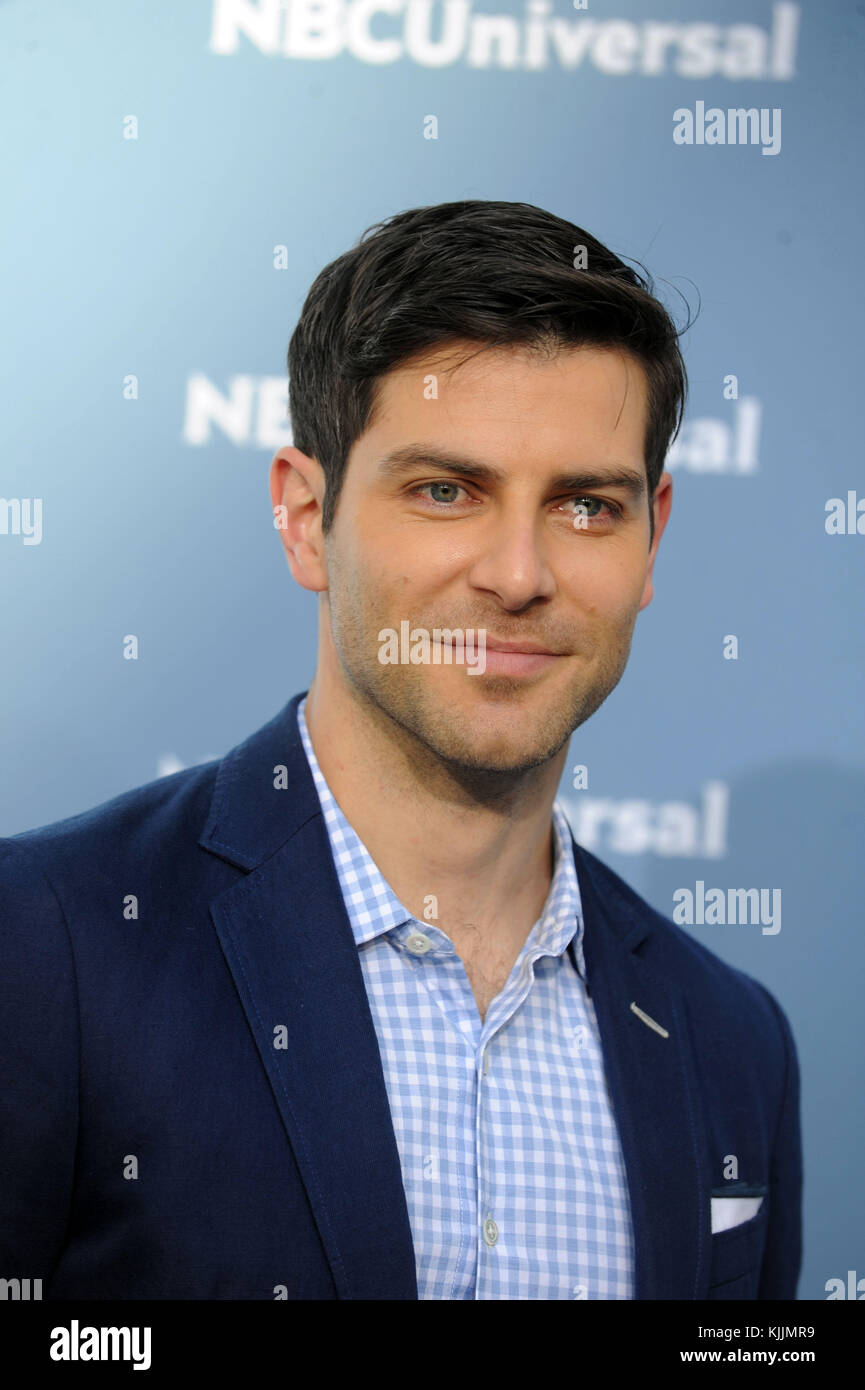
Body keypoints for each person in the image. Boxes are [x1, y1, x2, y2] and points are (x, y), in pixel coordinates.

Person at [0, 200, 801, 1300]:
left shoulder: (730, 1042)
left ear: (651, 534)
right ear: (304, 515)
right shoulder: (46, 946)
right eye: (445, 491)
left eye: (584, 505)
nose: (518, 573)